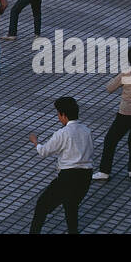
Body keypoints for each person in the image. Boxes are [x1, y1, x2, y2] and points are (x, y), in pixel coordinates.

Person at [28, 96, 94, 234]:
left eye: (58, 114)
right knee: (71, 207)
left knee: (42, 205)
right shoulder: (86, 130)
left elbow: (44, 151)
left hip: (68, 178)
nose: (58, 117)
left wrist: (36, 142)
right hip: (86, 177)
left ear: (63, 115)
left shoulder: (62, 133)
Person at [93, 46, 131, 181]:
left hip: (125, 113)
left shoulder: (126, 74)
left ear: (129, 58)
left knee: (110, 141)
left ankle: (104, 171)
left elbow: (109, 88)